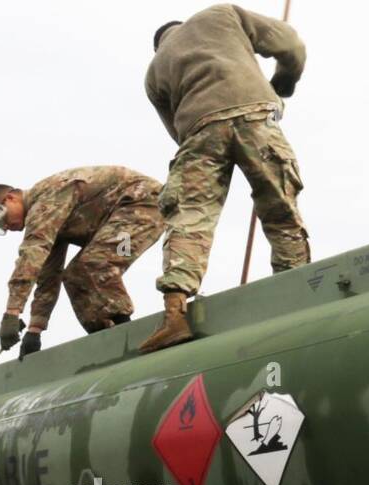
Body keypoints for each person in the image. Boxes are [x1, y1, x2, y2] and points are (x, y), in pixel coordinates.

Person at [139, 4, 310, 353]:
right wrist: (283, 82)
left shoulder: (155, 71)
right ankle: (296, 289)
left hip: (198, 131)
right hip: (253, 113)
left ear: (159, 45)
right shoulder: (220, 15)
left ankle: (174, 317)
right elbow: (292, 44)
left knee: (190, 220)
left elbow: (176, 131)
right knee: (278, 205)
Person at [0, 166, 165, 358]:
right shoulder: (47, 219)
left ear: (11, 198)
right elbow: (47, 276)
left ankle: (127, 332)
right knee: (74, 276)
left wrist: (12, 313)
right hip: (122, 222)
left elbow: (31, 255)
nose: (5, 227)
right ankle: (107, 337)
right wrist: (34, 330)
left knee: (96, 262)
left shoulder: (46, 200)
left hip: (141, 208)